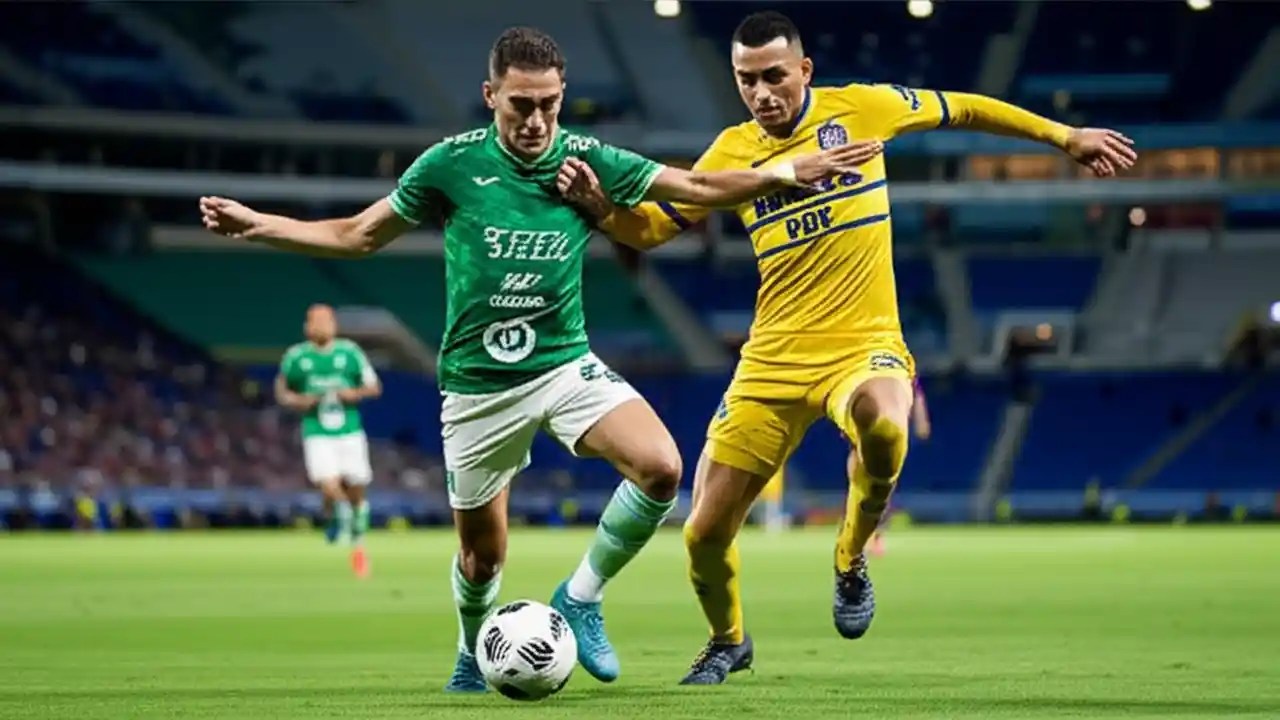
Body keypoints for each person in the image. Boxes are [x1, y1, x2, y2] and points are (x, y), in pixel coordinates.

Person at [200, 25, 882, 693]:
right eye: (520, 105)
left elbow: (695, 189)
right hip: (477, 386)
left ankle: (580, 598)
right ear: (490, 93)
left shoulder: (585, 160)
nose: (535, 120)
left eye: (549, 104)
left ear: (563, 94)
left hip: (562, 365)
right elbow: (356, 235)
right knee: (482, 555)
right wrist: (257, 224)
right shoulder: (450, 165)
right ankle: (472, 648)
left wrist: (788, 170)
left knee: (662, 468)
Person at [556, 10, 1136, 685]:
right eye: (747, 81)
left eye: (774, 75)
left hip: (863, 346)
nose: (761, 92)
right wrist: (599, 208)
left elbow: (965, 108)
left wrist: (1065, 136)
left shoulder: (862, 108)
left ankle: (850, 556)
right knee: (703, 534)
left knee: (886, 428)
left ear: (804, 70)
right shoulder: (731, 152)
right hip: (770, 363)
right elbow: (651, 231)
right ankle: (728, 642)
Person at [275, 304, 382, 576]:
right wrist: (299, 400)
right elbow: (283, 390)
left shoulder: (349, 353)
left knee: (356, 483)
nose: (322, 326)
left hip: (349, 430)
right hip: (317, 431)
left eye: (326, 321)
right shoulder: (297, 357)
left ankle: (350, 515)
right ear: (307, 326)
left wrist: (354, 393)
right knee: (328, 482)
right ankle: (343, 516)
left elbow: (373, 387)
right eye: (316, 322)